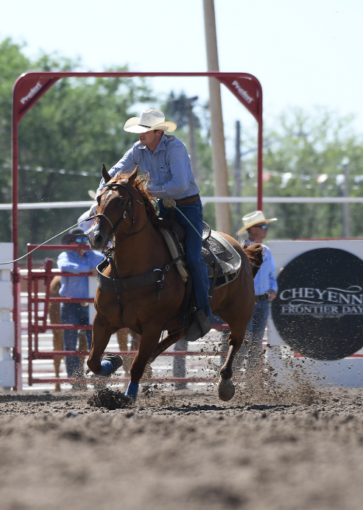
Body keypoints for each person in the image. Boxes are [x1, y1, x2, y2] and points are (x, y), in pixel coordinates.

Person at [96, 108, 213, 340]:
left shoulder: (175, 148)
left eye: (145, 130)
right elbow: (116, 170)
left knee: (193, 257)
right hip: (161, 205)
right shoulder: (137, 150)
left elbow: (179, 186)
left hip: (187, 207)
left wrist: (144, 191)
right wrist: (105, 190)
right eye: (140, 130)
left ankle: (203, 312)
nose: (140, 134)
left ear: (158, 132)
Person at [56, 233, 105, 382]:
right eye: (78, 240)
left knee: (96, 343)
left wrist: (90, 268)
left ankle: (98, 378)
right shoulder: (65, 256)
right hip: (71, 304)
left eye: (85, 239)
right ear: (70, 242)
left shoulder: (95, 255)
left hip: (92, 304)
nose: (82, 243)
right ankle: (76, 380)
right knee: (70, 344)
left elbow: (106, 262)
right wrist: (88, 269)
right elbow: (64, 266)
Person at [236, 210, 278, 370]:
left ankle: (250, 383)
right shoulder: (241, 251)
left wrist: (273, 289)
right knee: (244, 342)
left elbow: (271, 276)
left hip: (262, 302)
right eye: (263, 226)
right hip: (246, 304)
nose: (266, 229)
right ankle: (231, 378)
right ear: (253, 229)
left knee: (256, 343)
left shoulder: (266, 250)